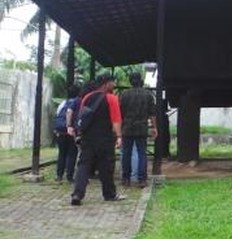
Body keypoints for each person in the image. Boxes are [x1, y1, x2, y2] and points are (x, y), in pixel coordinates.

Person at [70, 73, 126, 206]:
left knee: (83, 165)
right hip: (105, 138)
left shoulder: (87, 97)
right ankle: (109, 194)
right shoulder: (111, 99)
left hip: (88, 137)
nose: (114, 85)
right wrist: (119, 136)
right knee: (106, 166)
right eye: (112, 82)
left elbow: (82, 117)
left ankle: (77, 194)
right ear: (106, 83)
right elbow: (116, 120)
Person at [119, 71, 157, 188]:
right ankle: (142, 179)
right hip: (142, 127)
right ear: (140, 80)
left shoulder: (124, 95)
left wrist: (118, 130)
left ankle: (126, 179)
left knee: (126, 153)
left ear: (130, 81)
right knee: (142, 154)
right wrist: (155, 127)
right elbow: (152, 114)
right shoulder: (148, 95)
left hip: (127, 127)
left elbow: (120, 114)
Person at [53, 84, 81, 183]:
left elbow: (57, 115)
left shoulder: (63, 103)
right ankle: (69, 176)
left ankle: (59, 175)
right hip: (71, 131)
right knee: (72, 154)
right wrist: (70, 126)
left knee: (62, 153)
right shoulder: (78, 102)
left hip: (60, 131)